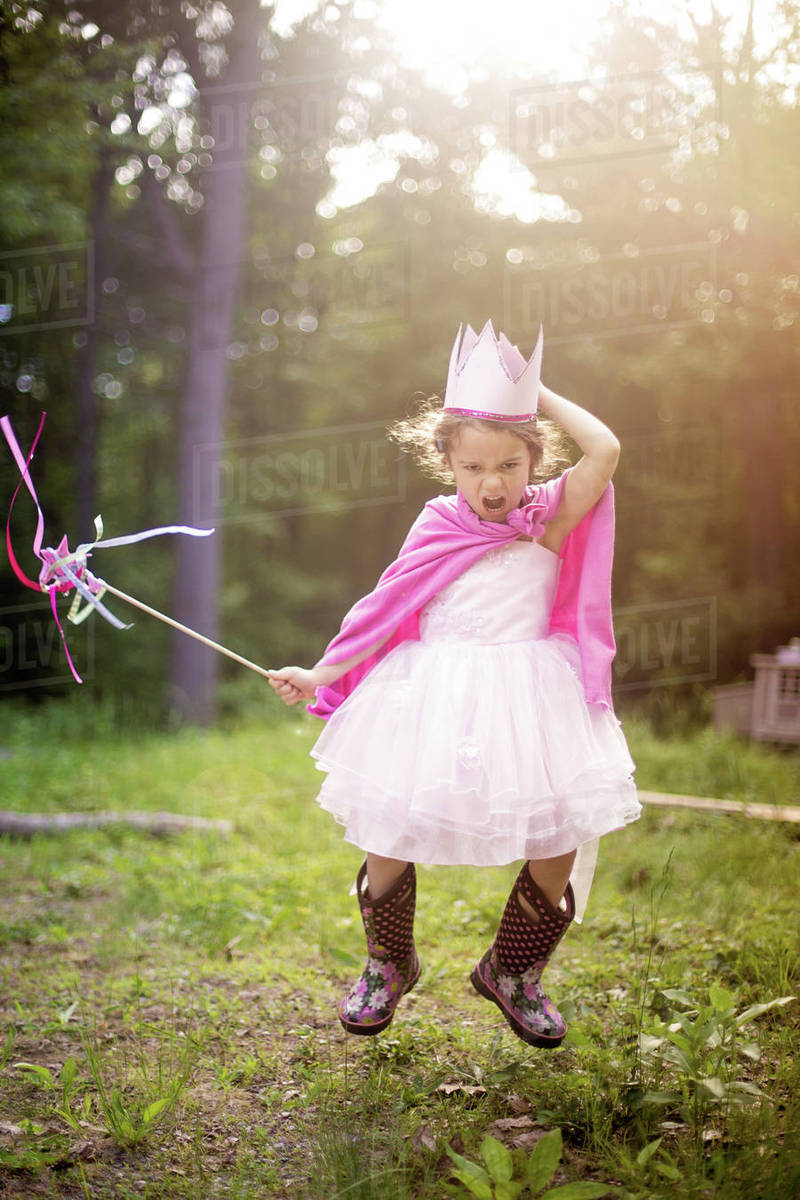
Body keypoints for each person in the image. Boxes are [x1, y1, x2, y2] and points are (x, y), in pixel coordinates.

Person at [268, 319, 640, 1048]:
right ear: (446, 462)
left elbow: (607, 449)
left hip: (531, 694)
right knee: (387, 823)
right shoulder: (436, 523)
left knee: (558, 826)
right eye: (473, 467)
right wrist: (319, 671)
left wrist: (536, 394)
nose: (493, 483)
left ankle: (514, 971)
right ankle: (387, 962)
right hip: (432, 690)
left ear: (534, 458)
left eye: (509, 463)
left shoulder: (550, 520)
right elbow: (385, 606)